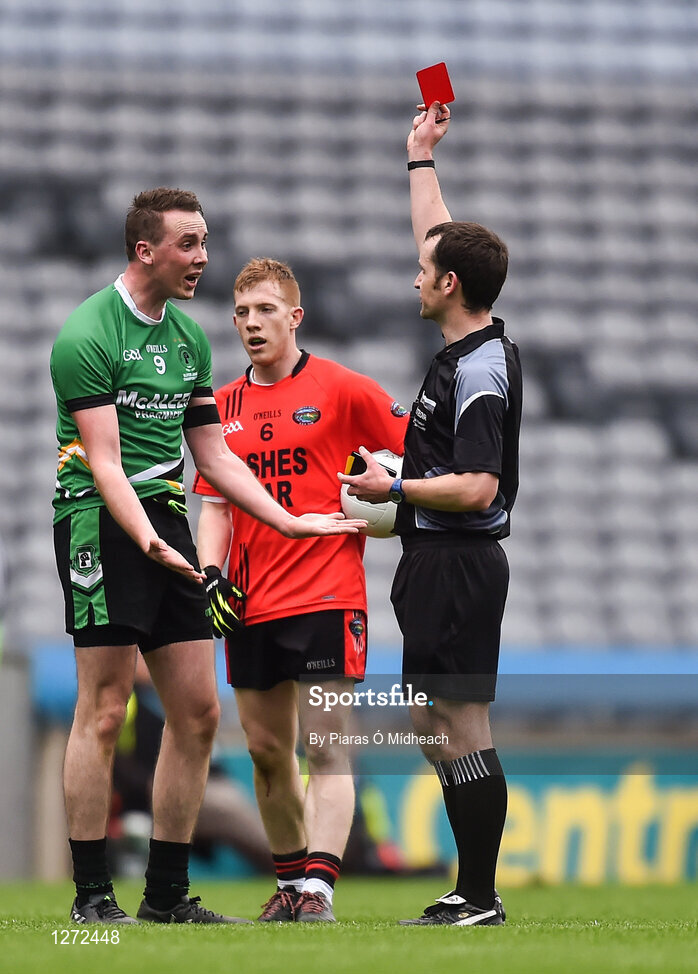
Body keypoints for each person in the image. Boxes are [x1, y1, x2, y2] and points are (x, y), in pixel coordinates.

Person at [50, 189, 365, 926]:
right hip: (100, 521)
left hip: (164, 521)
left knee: (196, 714)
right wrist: (145, 536)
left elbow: (216, 458)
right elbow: (104, 463)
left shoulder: (188, 339)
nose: (202, 258)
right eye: (188, 243)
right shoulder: (86, 333)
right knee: (104, 710)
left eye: (204, 242)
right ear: (145, 251)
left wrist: (287, 520)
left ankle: (165, 897)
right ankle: (93, 897)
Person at [339, 102, 522, 926]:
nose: (414, 275)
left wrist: (397, 489)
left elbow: (478, 486)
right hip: (436, 561)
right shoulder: (466, 345)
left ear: (451, 285)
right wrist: (420, 157)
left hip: (458, 561)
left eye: (424, 270)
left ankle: (477, 894)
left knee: (459, 724)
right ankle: (472, 889)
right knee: (433, 719)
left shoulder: (479, 373)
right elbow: (438, 238)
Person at [194, 257, 409, 922]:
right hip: (250, 601)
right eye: (242, 313)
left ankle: (319, 890)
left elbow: (414, 451)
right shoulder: (220, 407)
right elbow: (216, 507)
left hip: (326, 595)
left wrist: (394, 492)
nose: (252, 323)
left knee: (325, 746)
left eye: (265, 310)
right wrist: (210, 575)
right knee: (265, 753)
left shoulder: (343, 389)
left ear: (295, 317)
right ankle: (290, 884)